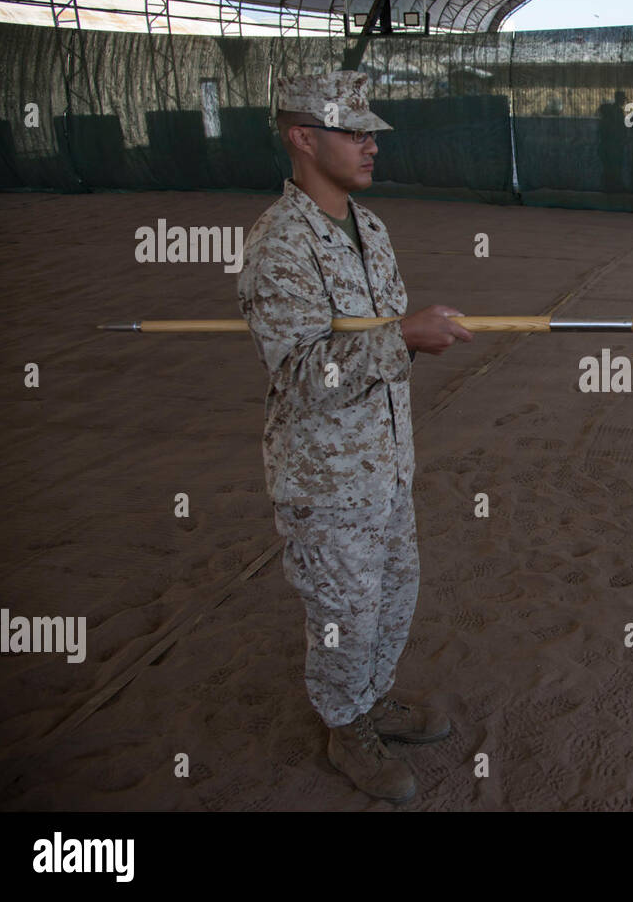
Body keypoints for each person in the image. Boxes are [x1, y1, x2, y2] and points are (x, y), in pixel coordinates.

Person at [237, 71, 473, 802]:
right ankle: (346, 727)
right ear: (303, 137)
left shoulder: (368, 229)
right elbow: (304, 372)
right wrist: (402, 337)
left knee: (394, 593)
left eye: (372, 131)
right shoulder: (280, 243)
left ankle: (369, 701)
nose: (371, 145)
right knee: (344, 611)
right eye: (355, 131)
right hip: (325, 478)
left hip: (384, 462)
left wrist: (397, 341)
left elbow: (373, 351)